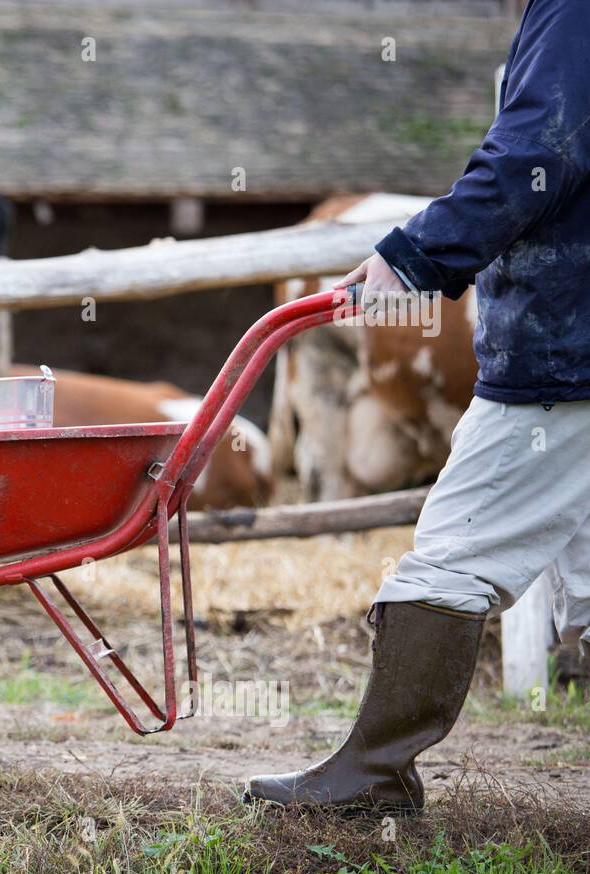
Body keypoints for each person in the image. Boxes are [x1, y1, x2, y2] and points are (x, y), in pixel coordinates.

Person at [247, 0, 590, 811]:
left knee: (453, 555)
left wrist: (415, 256)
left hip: (565, 346)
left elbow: (538, 150)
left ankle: (373, 779)